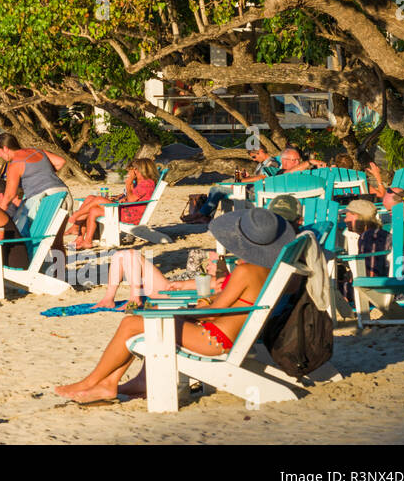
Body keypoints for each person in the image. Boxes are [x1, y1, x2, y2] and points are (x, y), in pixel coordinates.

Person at [57, 207, 295, 403]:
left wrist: (190, 310)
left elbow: (213, 312)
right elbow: (227, 304)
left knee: (132, 323)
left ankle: (91, 382)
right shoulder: (262, 270)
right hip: (222, 332)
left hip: (214, 338)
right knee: (145, 319)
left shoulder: (244, 271)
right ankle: (109, 384)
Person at [93, 247, 230, 309]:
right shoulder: (203, 274)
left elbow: (187, 286)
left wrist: (182, 284)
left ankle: (135, 298)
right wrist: (213, 257)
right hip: (167, 285)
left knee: (132, 254)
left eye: (212, 264)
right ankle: (108, 298)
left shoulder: (215, 280)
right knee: (119, 255)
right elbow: (195, 253)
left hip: (169, 292)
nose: (207, 266)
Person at [66, 157, 158, 249]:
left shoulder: (146, 183)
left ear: (137, 170)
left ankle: (76, 217)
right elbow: (133, 197)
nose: (129, 174)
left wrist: (128, 183)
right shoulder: (140, 183)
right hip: (127, 210)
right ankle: (85, 240)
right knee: (93, 207)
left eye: (131, 171)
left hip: (130, 215)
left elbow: (132, 200)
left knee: (98, 199)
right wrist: (124, 197)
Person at [0, 134, 67, 235]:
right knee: (57, 241)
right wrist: (42, 173)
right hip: (63, 193)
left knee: (34, 237)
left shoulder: (14, 165)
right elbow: (61, 162)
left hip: (45, 200)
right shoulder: (37, 151)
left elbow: (9, 195)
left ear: (5, 148)